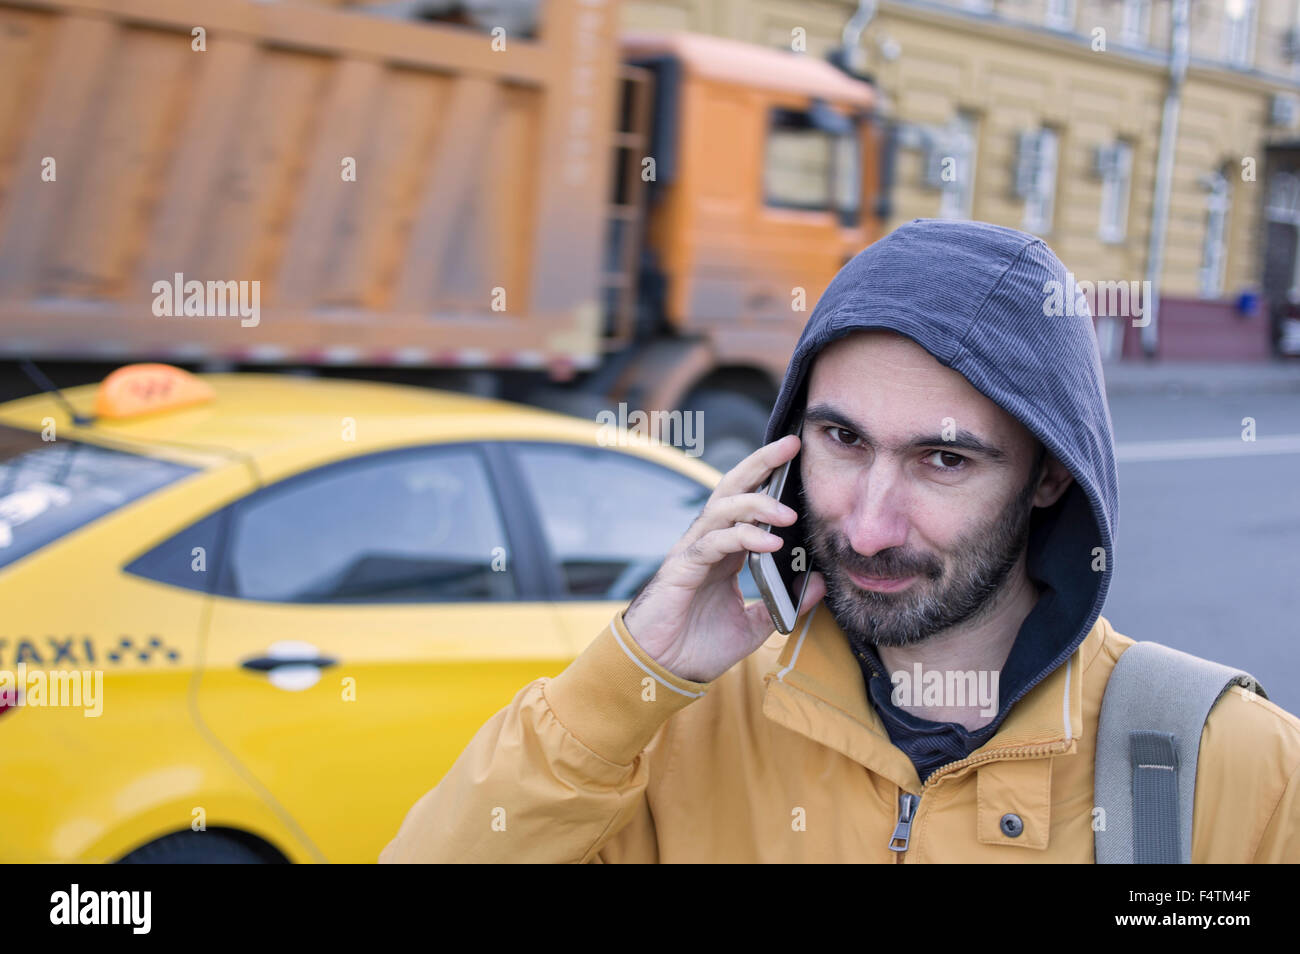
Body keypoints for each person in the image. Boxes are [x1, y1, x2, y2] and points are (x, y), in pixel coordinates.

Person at [380, 218, 1300, 862]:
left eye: (943, 460)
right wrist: (628, 678)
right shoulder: (673, 729)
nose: (866, 525)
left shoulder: (1220, 765)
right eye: (843, 440)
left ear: (1050, 475)